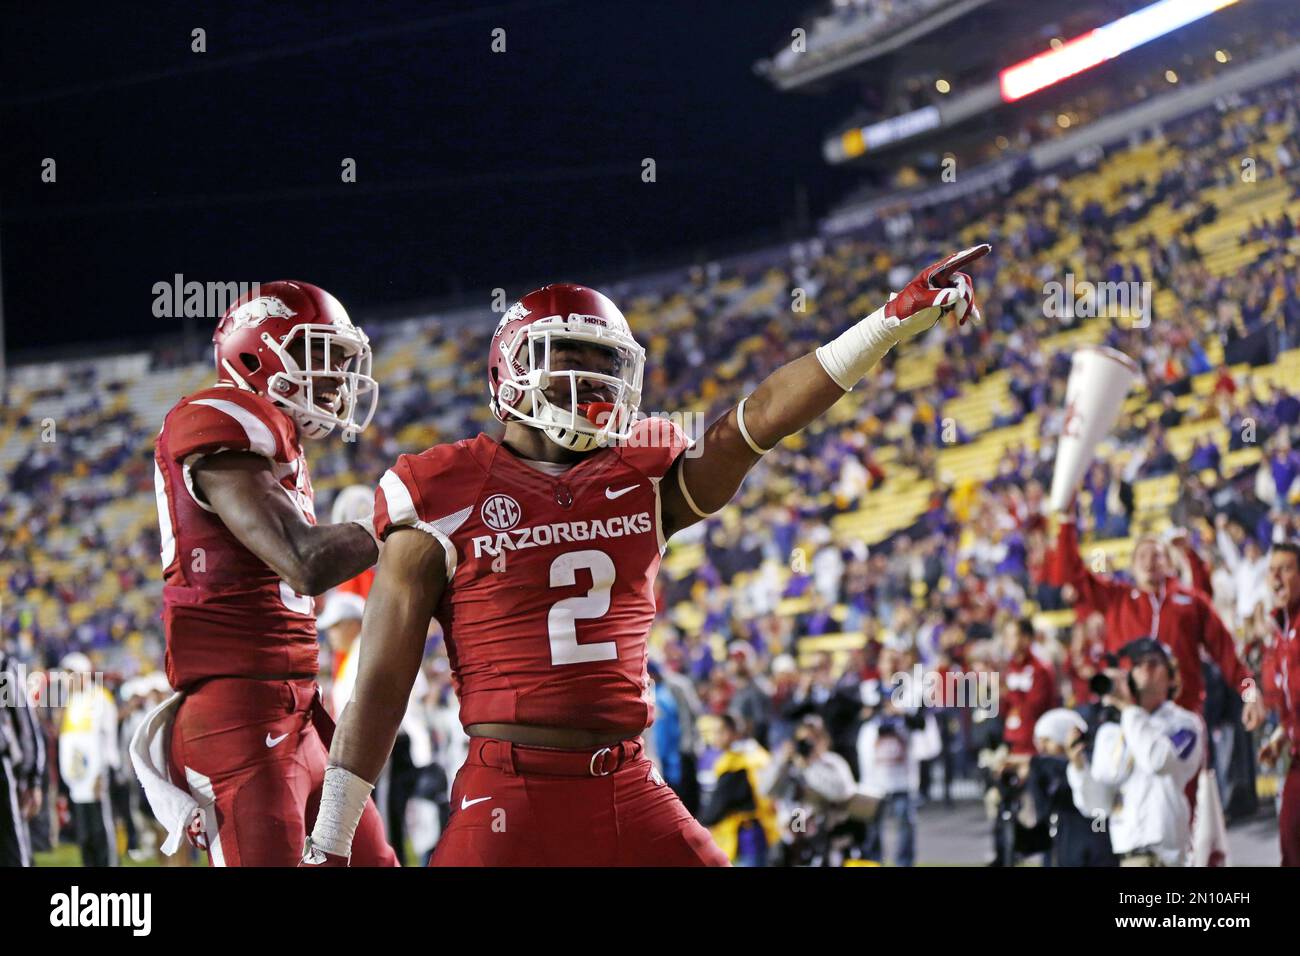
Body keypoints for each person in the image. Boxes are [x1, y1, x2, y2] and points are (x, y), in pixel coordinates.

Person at [304, 248, 989, 866]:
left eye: (607, 365)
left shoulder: (643, 472)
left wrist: (887, 324)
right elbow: (381, 687)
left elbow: (760, 419)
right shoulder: (439, 490)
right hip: (509, 788)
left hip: (627, 782)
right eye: (573, 359)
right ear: (513, 371)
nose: (595, 381)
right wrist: (329, 842)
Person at [136, 281, 396, 867]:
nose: (336, 376)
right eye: (320, 354)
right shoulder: (217, 418)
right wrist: (403, 519)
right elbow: (303, 560)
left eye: (341, 360)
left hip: (300, 709)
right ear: (256, 354)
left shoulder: (281, 446)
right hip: (239, 718)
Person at [1055, 509, 1263, 728]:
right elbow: (1070, 574)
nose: (1149, 562)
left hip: (1182, 717)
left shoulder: (1191, 602)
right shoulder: (1116, 599)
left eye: (1156, 555)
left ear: (1170, 563)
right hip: (1129, 720)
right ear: (1132, 566)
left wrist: (1250, 693)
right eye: (1142, 556)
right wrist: (1066, 521)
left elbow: (1228, 656)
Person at [1066, 639, 1205, 866]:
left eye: (1153, 663)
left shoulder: (1185, 724)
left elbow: (1156, 760)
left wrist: (1129, 710)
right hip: (1129, 855)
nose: (1145, 669)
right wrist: (1079, 768)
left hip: (1168, 855)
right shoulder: (1111, 731)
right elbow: (1098, 805)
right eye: (1137, 665)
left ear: (1172, 678)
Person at [762, 715, 858, 866]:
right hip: (792, 842)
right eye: (804, 740)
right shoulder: (787, 765)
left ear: (824, 740)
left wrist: (810, 766)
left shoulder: (832, 763)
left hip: (825, 839)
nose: (809, 744)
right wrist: (781, 761)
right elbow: (765, 790)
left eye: (814, 739)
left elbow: (843, 793)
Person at [1256, 542, 1300, 865]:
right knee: (1290, 840)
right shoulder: (1280, 632)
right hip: (1296, 755)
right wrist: (1280, 737)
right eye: (1272, 570)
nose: (1276, 578)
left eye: (1285, 569)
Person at [57, 653, 119, 867]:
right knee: (84, 834)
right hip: (77, 779)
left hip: (96, 778)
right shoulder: (71, 701)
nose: (67, 680)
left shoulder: (100, 697)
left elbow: (107, 738)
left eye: (70, 675)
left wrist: (102, 773)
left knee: (101, 830)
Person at [697, 714, 779, 866]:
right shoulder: (758, 753)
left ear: (732, 732)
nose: (715, 737)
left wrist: (700, 825)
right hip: (763, 827)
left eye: (719, 732)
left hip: (745, 835)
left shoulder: (735, 763)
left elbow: (720, 802)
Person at [0, 645, 45, 867]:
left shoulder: (2, 666)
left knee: (11, 851)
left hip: (3, 770)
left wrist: (31, 778)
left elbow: (24, 722)